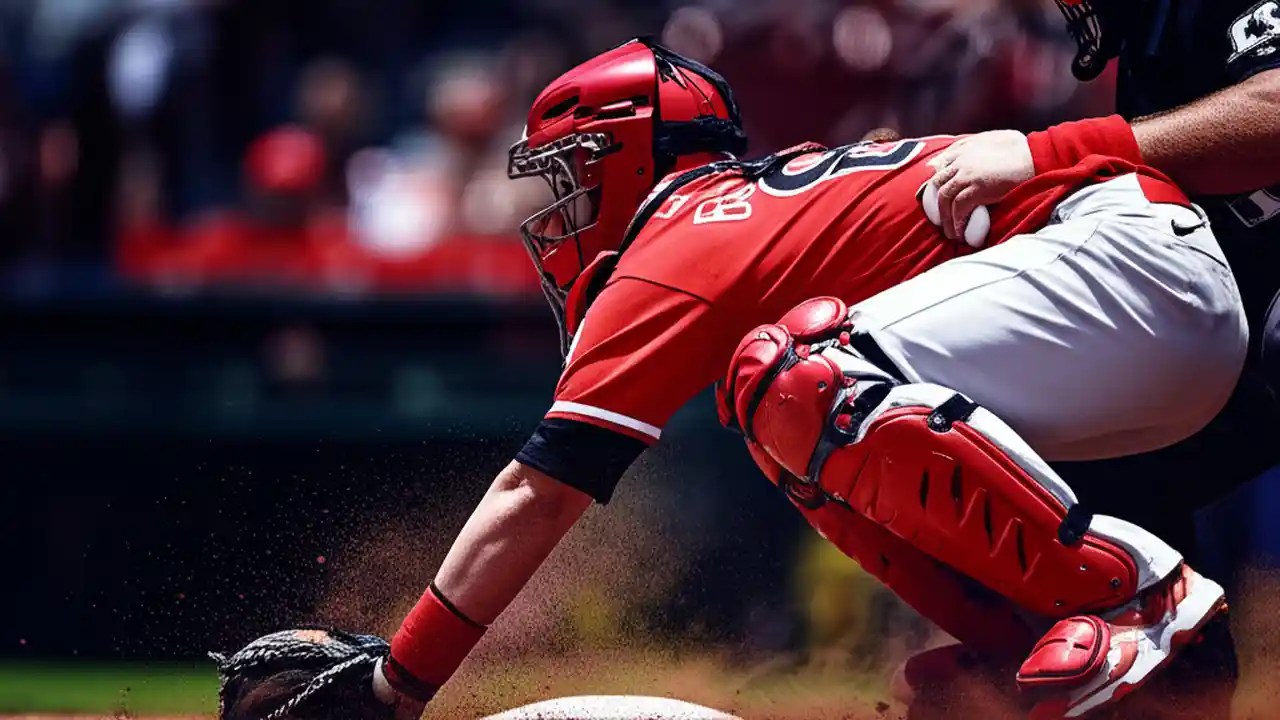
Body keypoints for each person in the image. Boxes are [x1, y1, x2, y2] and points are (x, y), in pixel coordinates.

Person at [212, 39, 1247, 719]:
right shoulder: (741, 216)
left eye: (571, 178)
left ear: (624, 158)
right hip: (1135, 294)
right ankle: (1040, 643)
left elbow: (540, 486)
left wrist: (400, 682)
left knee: (791, 374)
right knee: (779, 412)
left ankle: (1133, 602)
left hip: (1138, 275)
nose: (559, 216)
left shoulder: (677, 235)